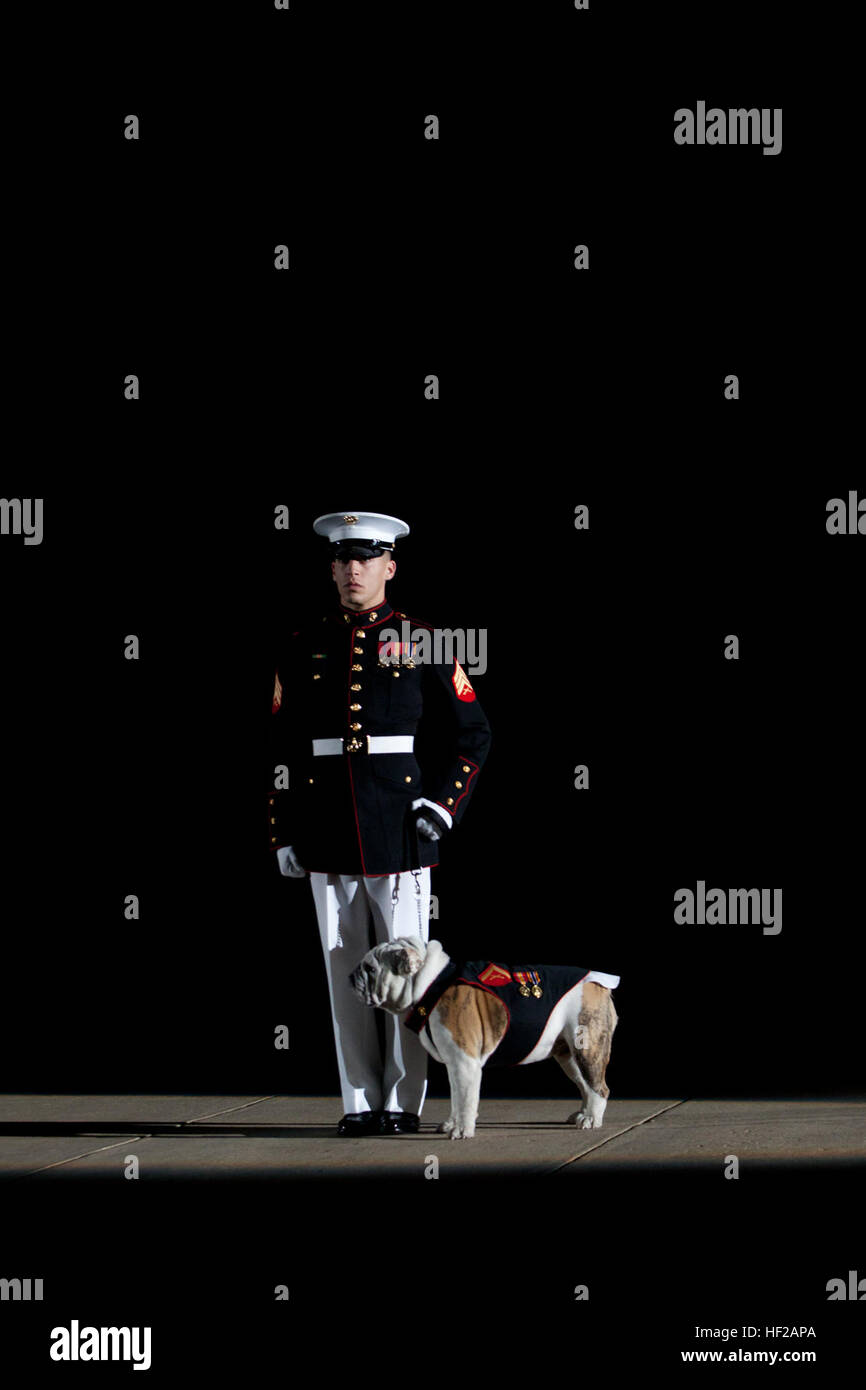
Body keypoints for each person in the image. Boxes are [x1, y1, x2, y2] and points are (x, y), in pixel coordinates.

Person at [268, 511, 492, 1135]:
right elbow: (281, 748)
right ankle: (358, 1103)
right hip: (325, 831)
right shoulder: (299, 643)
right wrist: (283, 830)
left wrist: (443, 806)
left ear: (389, 567)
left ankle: (403, 1104)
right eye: (341, 560)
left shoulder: (424, 638)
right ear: (332, 568)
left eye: (365, 559)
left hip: (401, 833)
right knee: (345, 976)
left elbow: (474, 734)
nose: (352, 570)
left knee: (407, 977)